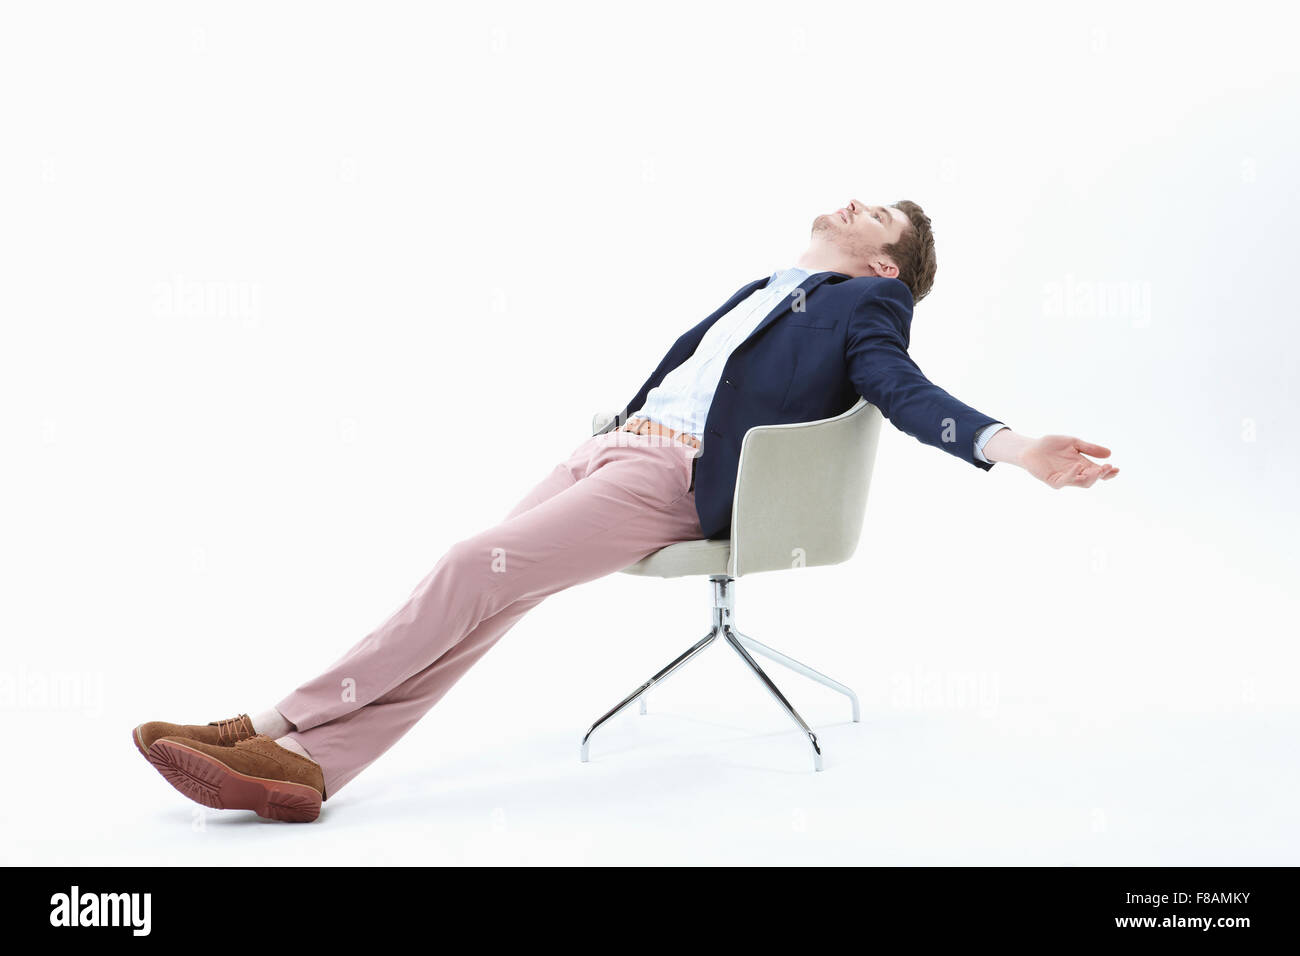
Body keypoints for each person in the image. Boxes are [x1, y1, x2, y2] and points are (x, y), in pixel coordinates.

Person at [134, 199, 1119, 822]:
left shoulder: (866, 309)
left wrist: (1012, 445)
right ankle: (307, 768)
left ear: (883, 270)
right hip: (610, 447)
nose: (852, 198)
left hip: (672, 477)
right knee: (487, 600)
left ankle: (271, 720)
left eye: (881, 216)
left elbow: (901, 391)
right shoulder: (768, 286)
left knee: (467, 566)